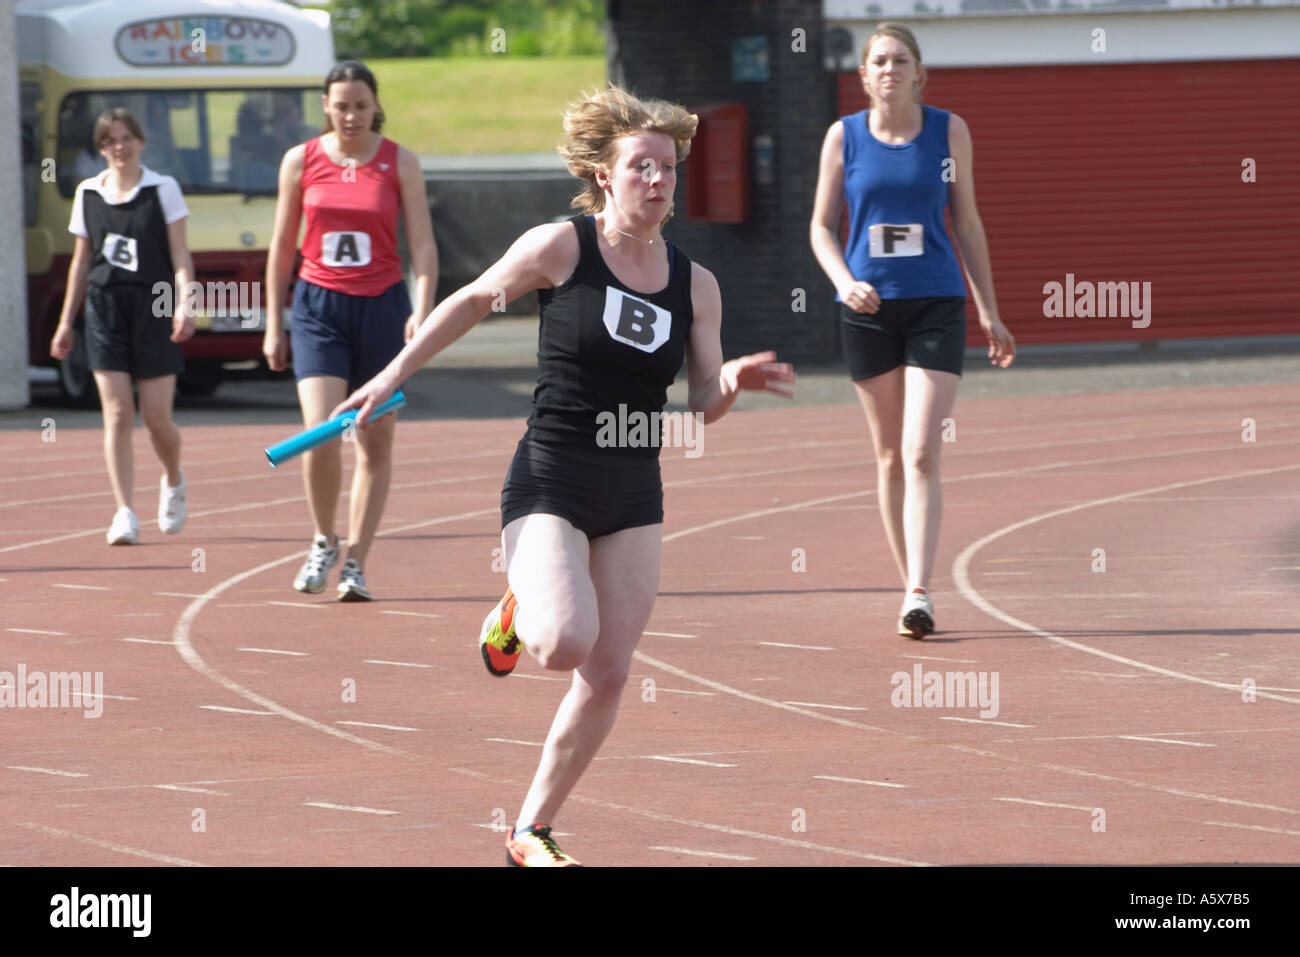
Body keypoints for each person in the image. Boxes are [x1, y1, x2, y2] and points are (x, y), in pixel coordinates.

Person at [334, 86, 796, 865]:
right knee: (564, 643)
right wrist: (392, 372)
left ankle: (529, 827)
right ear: (604, 176)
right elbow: (477, 297)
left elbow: (706, 402)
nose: (657, 180)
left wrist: (732, 385)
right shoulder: (563, 247)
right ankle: (516, 608)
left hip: (633, 490)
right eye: (641, 167)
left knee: (610, 671)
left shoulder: (698, 286)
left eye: (668, 169)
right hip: (552, 472)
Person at [810, 22, 1015, 638]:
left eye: (901, 59)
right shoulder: (842, 138)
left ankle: (921, 589)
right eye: (879, 61)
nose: (890, 69)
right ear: (864, 75)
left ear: (919, 72)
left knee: (923, 448)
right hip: (868, 307)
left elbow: (968, 223)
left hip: (936, 301)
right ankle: (911, 589)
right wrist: (843, 282)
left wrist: (990, 308)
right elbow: (820, 228)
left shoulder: (948, 131)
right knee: (890, 455)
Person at [263, 61, 438, 601]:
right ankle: (323, 539)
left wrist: (422, 310)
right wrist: (275, 322)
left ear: (374, 105)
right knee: (322, 429)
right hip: (319, 306)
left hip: (382, 307)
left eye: (361, 105)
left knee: (375, 437)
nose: (352, 115)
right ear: (326, 106)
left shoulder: (399, 163)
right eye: (341, 105)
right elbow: (280, 247)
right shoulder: (301, 161)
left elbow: (425, 248)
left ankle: (357, 561)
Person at [50, 107, 193, 545]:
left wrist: (183, 304)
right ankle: (124, 511)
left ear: (141, 142)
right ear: (100, 149)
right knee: (116, 413)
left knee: (156, 419)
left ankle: (172, 478)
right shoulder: (87, 193)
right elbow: (80, 262)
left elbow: (181, 256)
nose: (119, 146)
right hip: (104, 307)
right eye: (110, 140)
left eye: (126, 137)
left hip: (152, 307)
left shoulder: (162, 189)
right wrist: (65, 323)